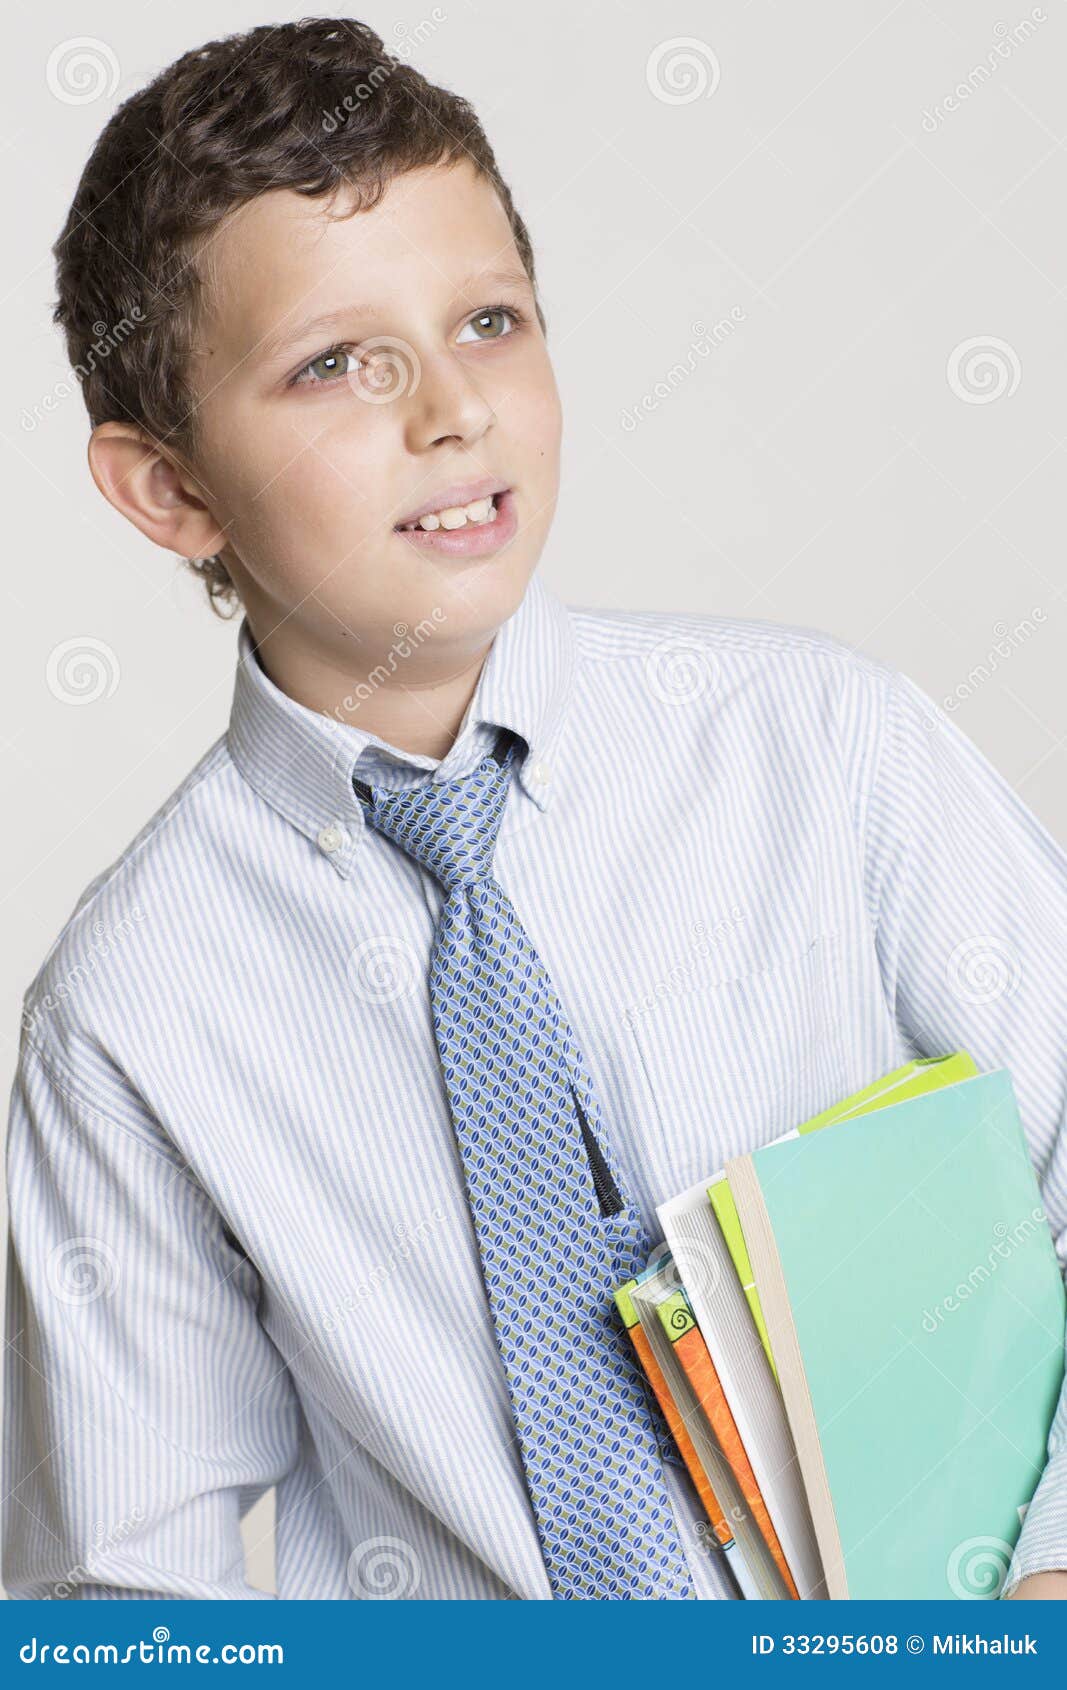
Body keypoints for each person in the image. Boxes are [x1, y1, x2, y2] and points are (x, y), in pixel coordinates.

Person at [4, 16, 1065, 1600]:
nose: (452, 411)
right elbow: (125, 1590)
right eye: (337, 365)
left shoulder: (825, 751)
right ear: (171, 489)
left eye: (489, 320)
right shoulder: (137, 1002)